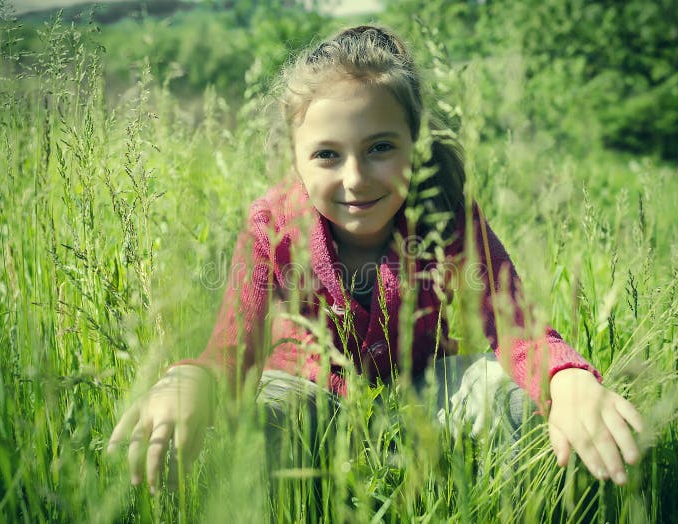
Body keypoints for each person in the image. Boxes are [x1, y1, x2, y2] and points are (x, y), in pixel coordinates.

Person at [108, 25, 644, 496]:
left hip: (427, 390)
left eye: (381, 147)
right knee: (260, 428)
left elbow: (514, 328)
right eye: (327, 154)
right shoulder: (271, 226)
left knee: (517, 401)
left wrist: (566, 380)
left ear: (416, 142)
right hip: (309, 393)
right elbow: (233, 350)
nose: (355, 179)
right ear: (294, 156)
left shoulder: (446, 213)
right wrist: (191, 381)